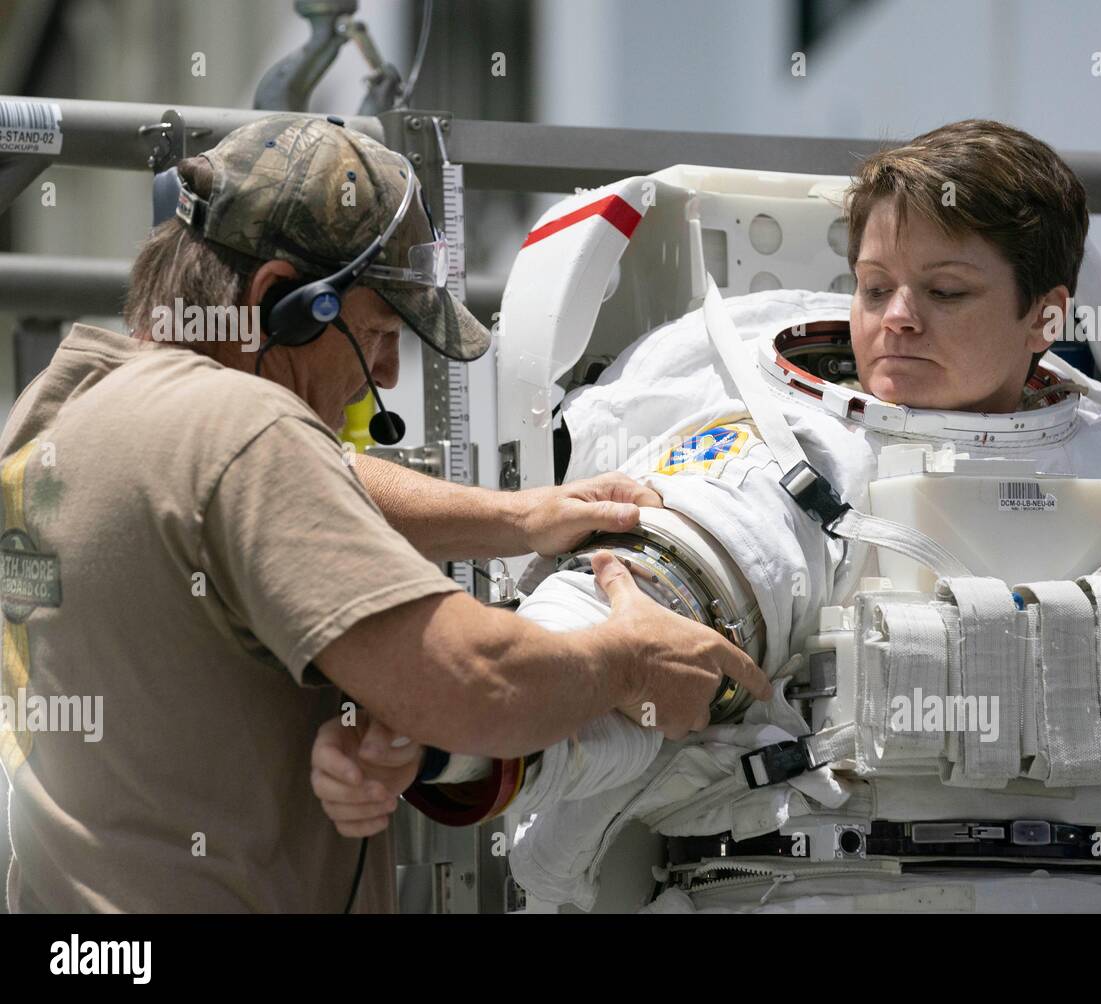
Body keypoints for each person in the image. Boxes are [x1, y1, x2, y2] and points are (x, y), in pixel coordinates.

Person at [313, 119, 1101, 913]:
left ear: (1045, 316)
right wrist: (434, 734)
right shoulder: (782, 459)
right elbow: (611, 631)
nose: (896, 316)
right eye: (875, 287)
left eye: (944, 291)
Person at [0, 112, 769, 914]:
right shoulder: (245, 432)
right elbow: (472, 684)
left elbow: (306, 483)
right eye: (374, 333)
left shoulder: (64, 416)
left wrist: (515, 518)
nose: (388, 370)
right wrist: (627, 660)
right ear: (280, 302)